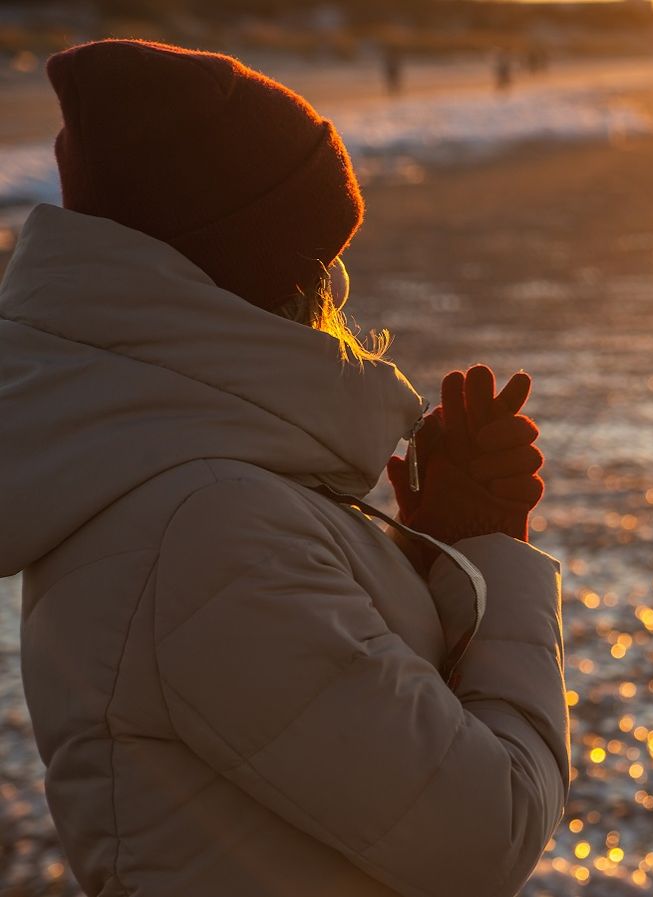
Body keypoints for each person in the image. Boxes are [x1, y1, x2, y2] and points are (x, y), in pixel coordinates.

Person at [0, 39, 570, 897]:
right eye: (321, 262)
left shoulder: (166, 469)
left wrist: (438, 559)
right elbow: (490, 830)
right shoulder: (208, 530)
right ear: (262, 275)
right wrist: (493, 555)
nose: (336, 291)